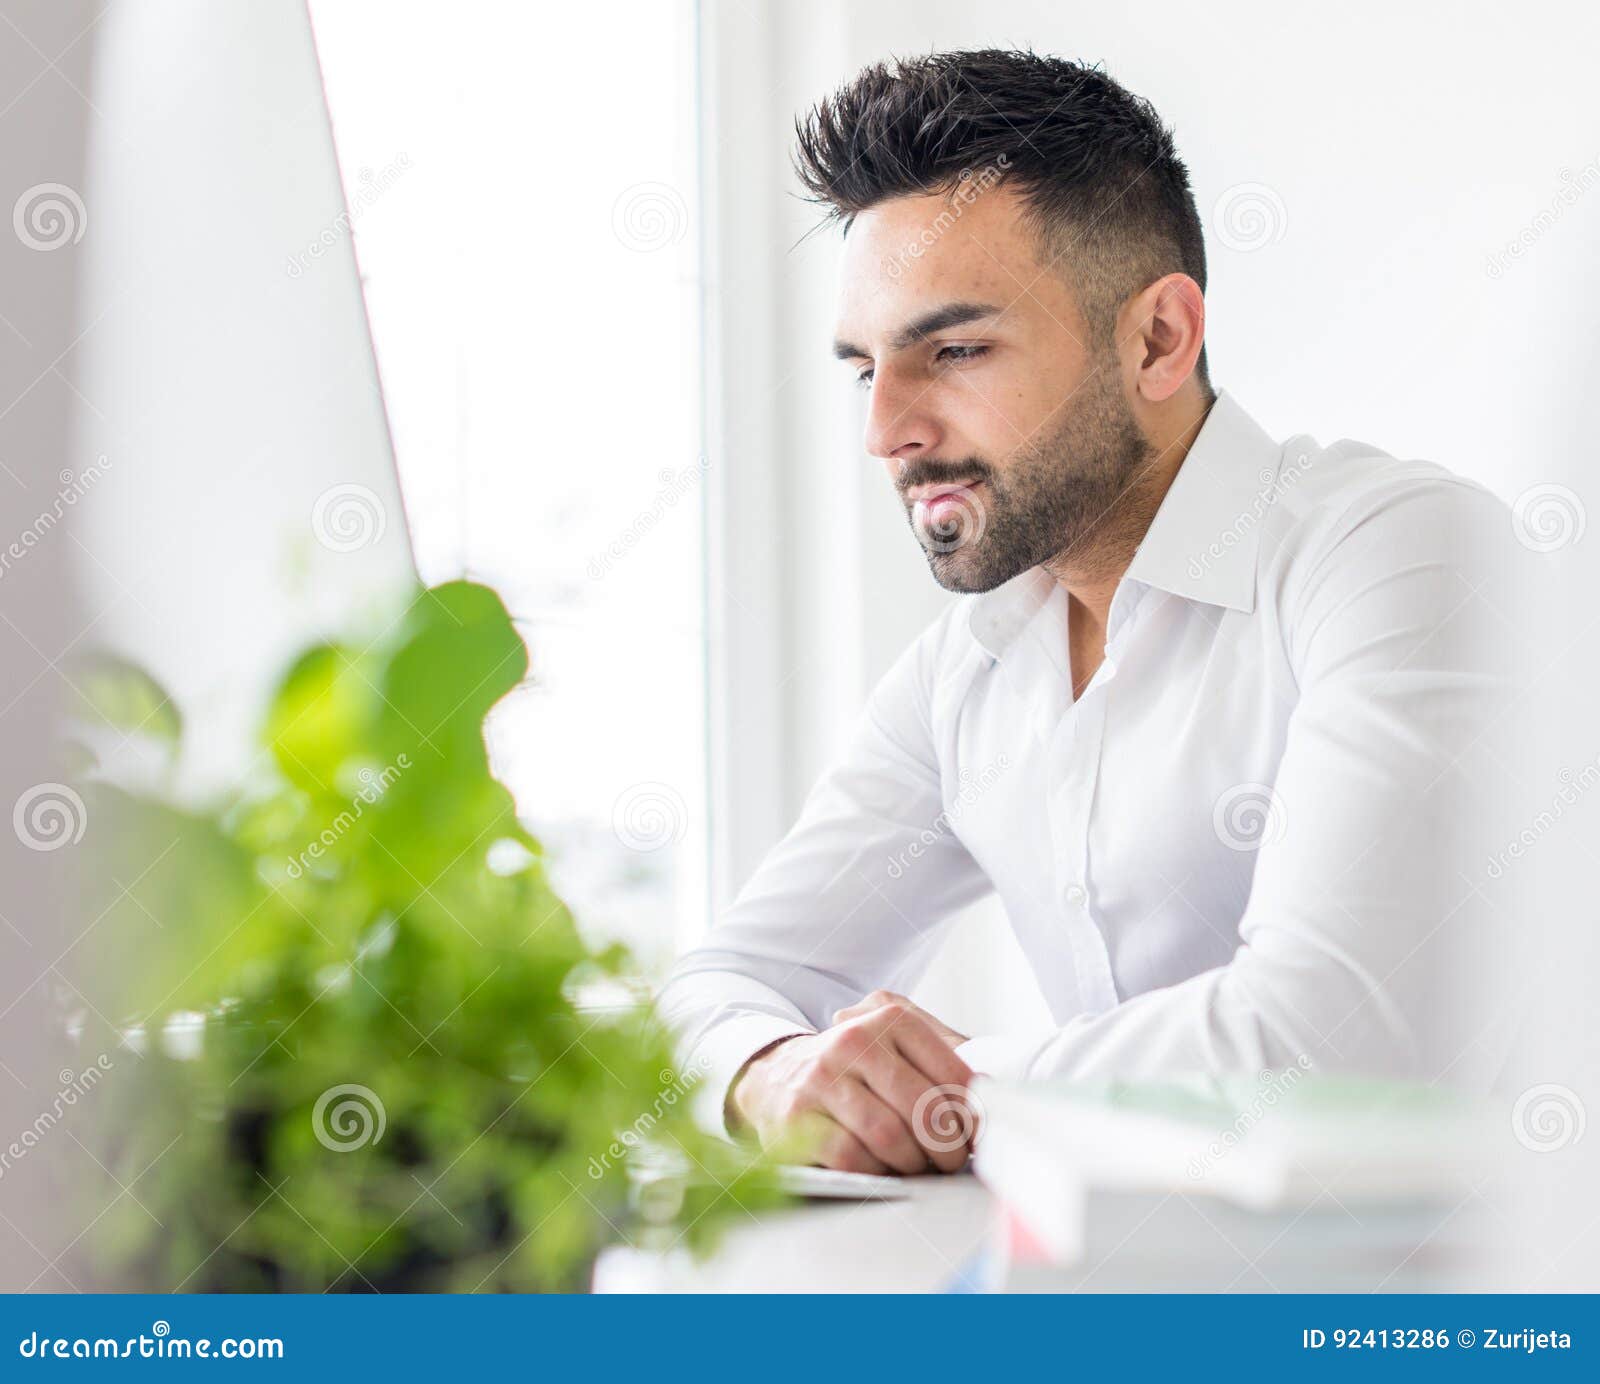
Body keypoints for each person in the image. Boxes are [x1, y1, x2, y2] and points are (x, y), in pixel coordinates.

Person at [660, 49, 1518, 1176]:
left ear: (1157, 338)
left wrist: (951, 1094)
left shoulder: (1397, 554)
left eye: (954, 349)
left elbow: (1328, 1045)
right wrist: (769, 1069)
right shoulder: (966, 668)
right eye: (864, 368)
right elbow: (718, 985)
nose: (887, 431)